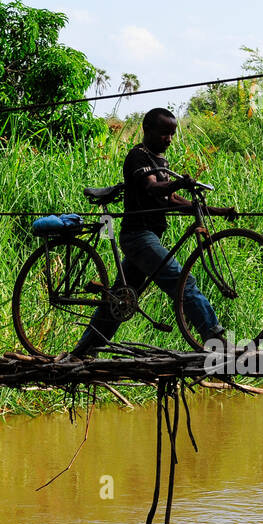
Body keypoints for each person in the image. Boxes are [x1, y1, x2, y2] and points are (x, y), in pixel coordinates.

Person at [67, 107, 238, 358]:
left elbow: (172, 199)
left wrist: (217, 210)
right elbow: (152, 188)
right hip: (138, 236)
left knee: (120, 300)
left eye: (172, 134)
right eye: (163, 133)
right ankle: (215, 340)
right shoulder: (137, 156)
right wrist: (177, 182)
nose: (168, 139)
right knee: (184, 282)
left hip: (148, 238)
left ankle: (84, 350)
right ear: (147, 130)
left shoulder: (161, 161)